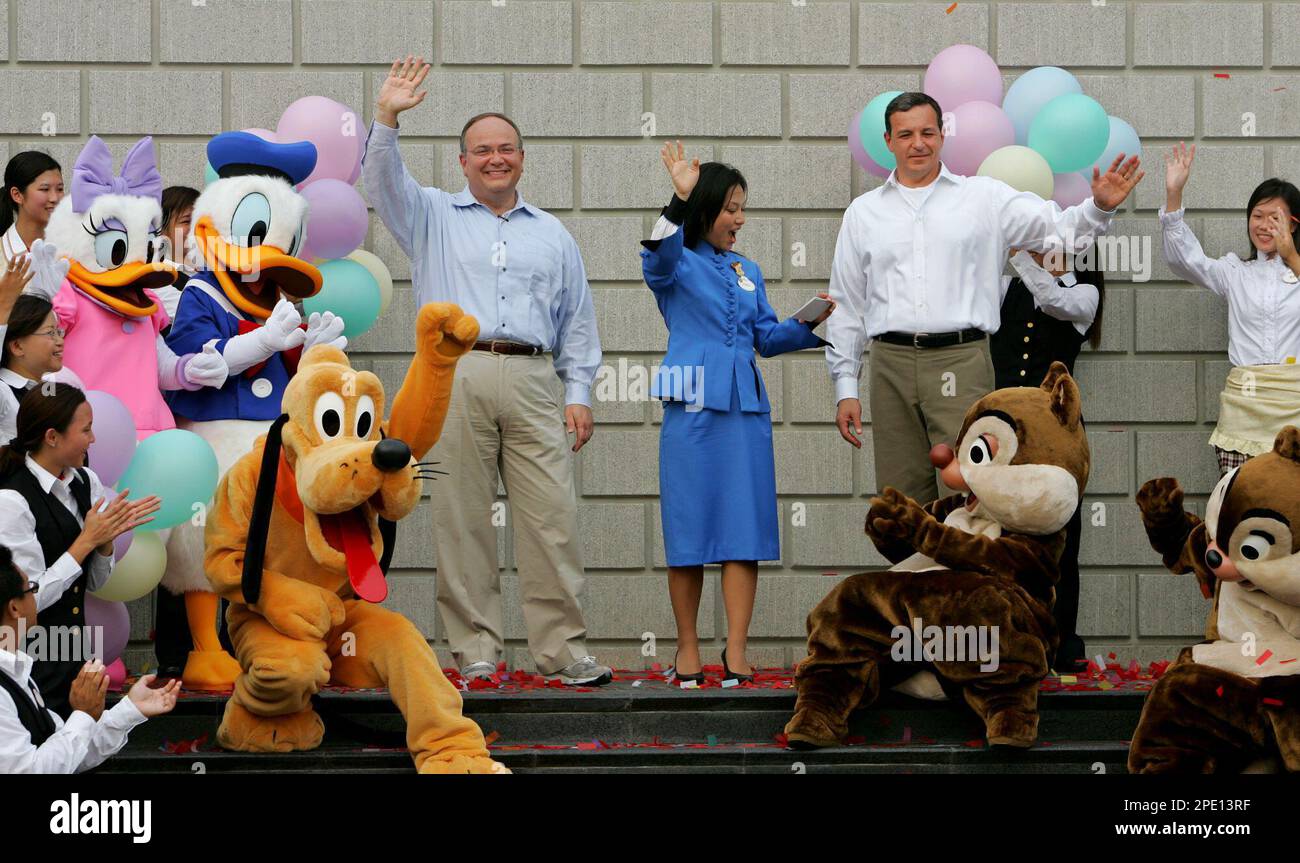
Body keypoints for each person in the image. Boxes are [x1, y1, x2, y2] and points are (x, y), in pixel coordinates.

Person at [363, 56, 608, 686]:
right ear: (463, 161)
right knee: (461, 518)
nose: (494, 159)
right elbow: (383, 181)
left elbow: (576, 318)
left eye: (506, 149)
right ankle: (474, 651)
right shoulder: (431, 216)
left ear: (522, 158)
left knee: (551, 518)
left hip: (532, 378)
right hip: (453, 377)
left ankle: (563, 650)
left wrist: (579, 392)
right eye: (481, 151)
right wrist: (387, 116)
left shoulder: (553, 235)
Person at [826, 91, 1143, 506]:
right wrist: (845, 385)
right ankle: (915, 574)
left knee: (971, 494)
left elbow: (1057, 232)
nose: (917, 143)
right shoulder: (863, 213)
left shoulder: (984, 198)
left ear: (942, 135)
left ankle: (967, 574)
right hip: (890, 364)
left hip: (961, 359)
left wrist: (1098, 208)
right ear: (888, 141)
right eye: (905, 134)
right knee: (901, 503)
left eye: (927, 132)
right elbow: (846, 302)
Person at [643, 143, 833, 682]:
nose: (740, 219)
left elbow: (765, 338)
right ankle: (685, 647)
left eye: (743, 207)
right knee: (688, 529)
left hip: (745, 410)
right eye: (731, 209)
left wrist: (811, 322)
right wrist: (677, 199)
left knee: (742, 530)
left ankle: (736, 649)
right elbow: (656, 255)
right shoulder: (676, 259)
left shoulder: (747, 268)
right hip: (692, 406)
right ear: (705, 208)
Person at [0, 384, 159, 716]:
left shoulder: (86, 481)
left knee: (81, 747)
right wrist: (86, 541)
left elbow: (95, 584)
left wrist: (105, 543)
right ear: (52, 437)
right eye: (85, 430)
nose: (94, 439)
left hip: (74, 652)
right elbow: (25, 599)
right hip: (29, 659)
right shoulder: (12, 500)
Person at [991, 248, 1104, 671]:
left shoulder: (1084, 295)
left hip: (1057, 436)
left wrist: (1021, 257)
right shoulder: (1005, 287)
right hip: (1003, 432)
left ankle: (1061, 643)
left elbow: (1052, 298)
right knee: (1001, 537)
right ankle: (1006, 641)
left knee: (1061, 540)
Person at [1161, 142, 1300, 474]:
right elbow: (1183, 260)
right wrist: (1174, 194)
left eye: (1275, 218)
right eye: (1257, 216)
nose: (1264, 225)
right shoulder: (1235, 271)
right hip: (1244, 409)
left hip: (1294, 406)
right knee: (1241, 507)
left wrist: (1292, 256)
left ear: (1293, 224)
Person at [0, 544, 180, 773]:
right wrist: (83, 713)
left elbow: (68, 750)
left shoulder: (17, 673)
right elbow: (29, 770)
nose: (36, 596)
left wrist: (131, 709)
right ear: (14, 608)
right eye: (31, 588)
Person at [0, 296, 64, 445]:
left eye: (58, 332)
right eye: (50, 333)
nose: (60, 341)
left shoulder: (50, 388)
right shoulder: (3, 391)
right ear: (17, 346)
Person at [1, 151, 63, 261]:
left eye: (60, 189)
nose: (55, 198)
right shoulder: (3, 254)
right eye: (45, 189)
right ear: (17, 195)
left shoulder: (72, 250)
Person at [155, 185, 201, 322]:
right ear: (160, 229)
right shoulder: (155, 279)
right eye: (187, 221)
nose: (196, 228)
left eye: (199, 220)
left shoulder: (210, 269)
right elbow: (195, 316)